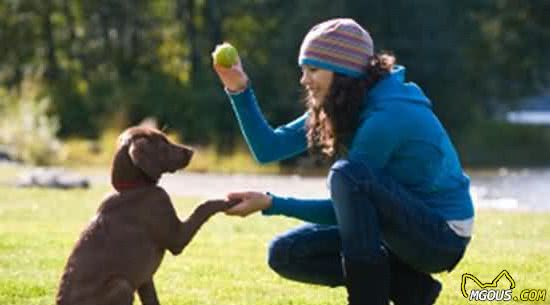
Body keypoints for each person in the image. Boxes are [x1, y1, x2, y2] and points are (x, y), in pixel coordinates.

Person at [213, 18, 473, 305]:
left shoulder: (386, 117)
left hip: (441, 236)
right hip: (397, 228)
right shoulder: (343, 102)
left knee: (348, 176)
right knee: (286, 253)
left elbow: (346, 209)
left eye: (313, 70)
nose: (304, 80)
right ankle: (412, 290)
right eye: (303, 70)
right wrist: (239, 89)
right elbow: (268, 148)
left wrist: (272, 203)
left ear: (343, 72)